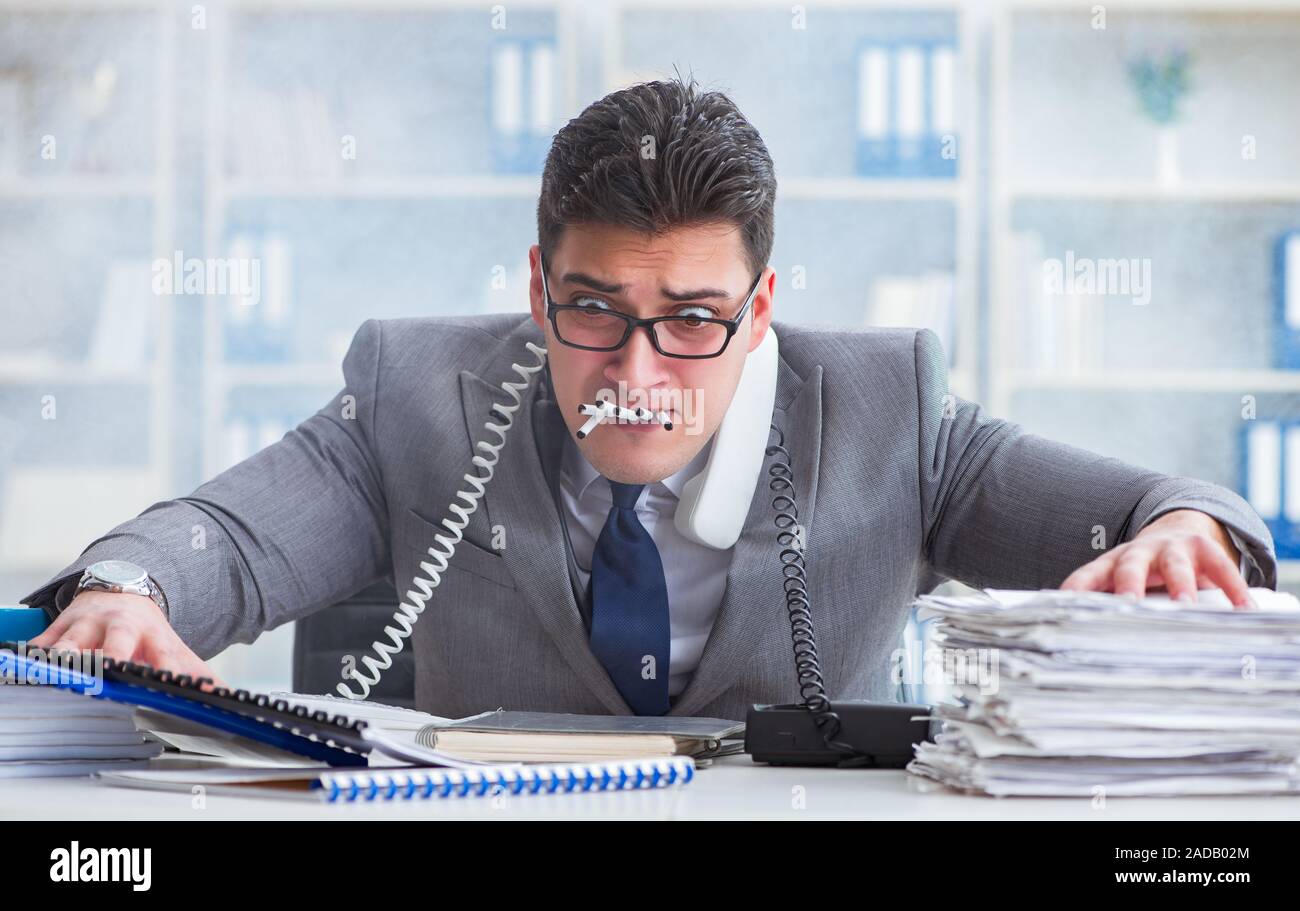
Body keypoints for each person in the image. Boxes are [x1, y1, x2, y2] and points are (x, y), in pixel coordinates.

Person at [23, 76, 1276, 720]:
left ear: (761, 306)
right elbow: (226, 539)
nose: (634, 377)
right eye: (592, 312)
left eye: (690, 323)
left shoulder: (886, 405)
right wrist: (128, 590)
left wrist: (1187, 534)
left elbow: (1165, 508)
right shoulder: (416, 388)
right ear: (535, 286)